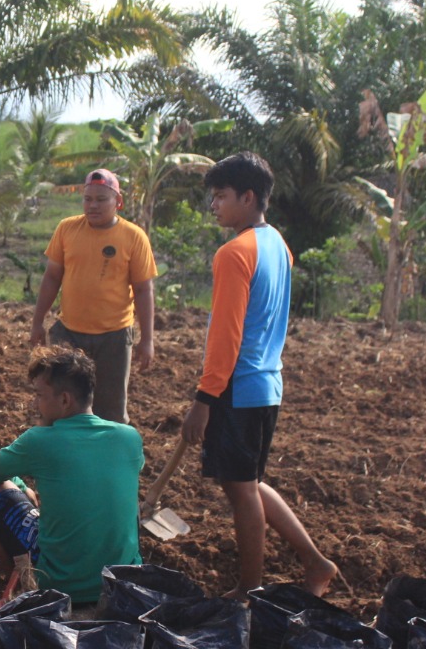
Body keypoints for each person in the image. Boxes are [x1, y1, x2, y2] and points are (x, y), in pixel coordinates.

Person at [180, 152, 337, 598]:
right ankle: (315, 562)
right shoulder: (277, 245)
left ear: (248, 198)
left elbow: (226, 337)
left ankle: (250, 589)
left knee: (240, 492)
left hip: (238, 387)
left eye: (221, 196)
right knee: (248, 483)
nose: (215, 205)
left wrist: (203, 400)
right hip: (267, 384)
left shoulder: (234, 253)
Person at [0, 345, 145, 604]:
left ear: (65, 400)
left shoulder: (39, 439)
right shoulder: (130, 437)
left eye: (40, 395)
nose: (36, 403)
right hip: (123, 584)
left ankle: (27, 586)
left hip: (61, 588)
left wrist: (23, 486)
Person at [29, 168, 157, 424]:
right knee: (59, 404)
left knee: (110, 411)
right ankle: (59, 456)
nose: (93, 205)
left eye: (101, 199)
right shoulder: (67, 229)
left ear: (118, 202)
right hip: (68, 334)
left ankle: (109, 460)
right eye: (88, 199)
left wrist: (147, 339)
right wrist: (37, 321)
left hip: (114, 338)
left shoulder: (133, 237)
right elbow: (52, 277)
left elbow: (143, 290)